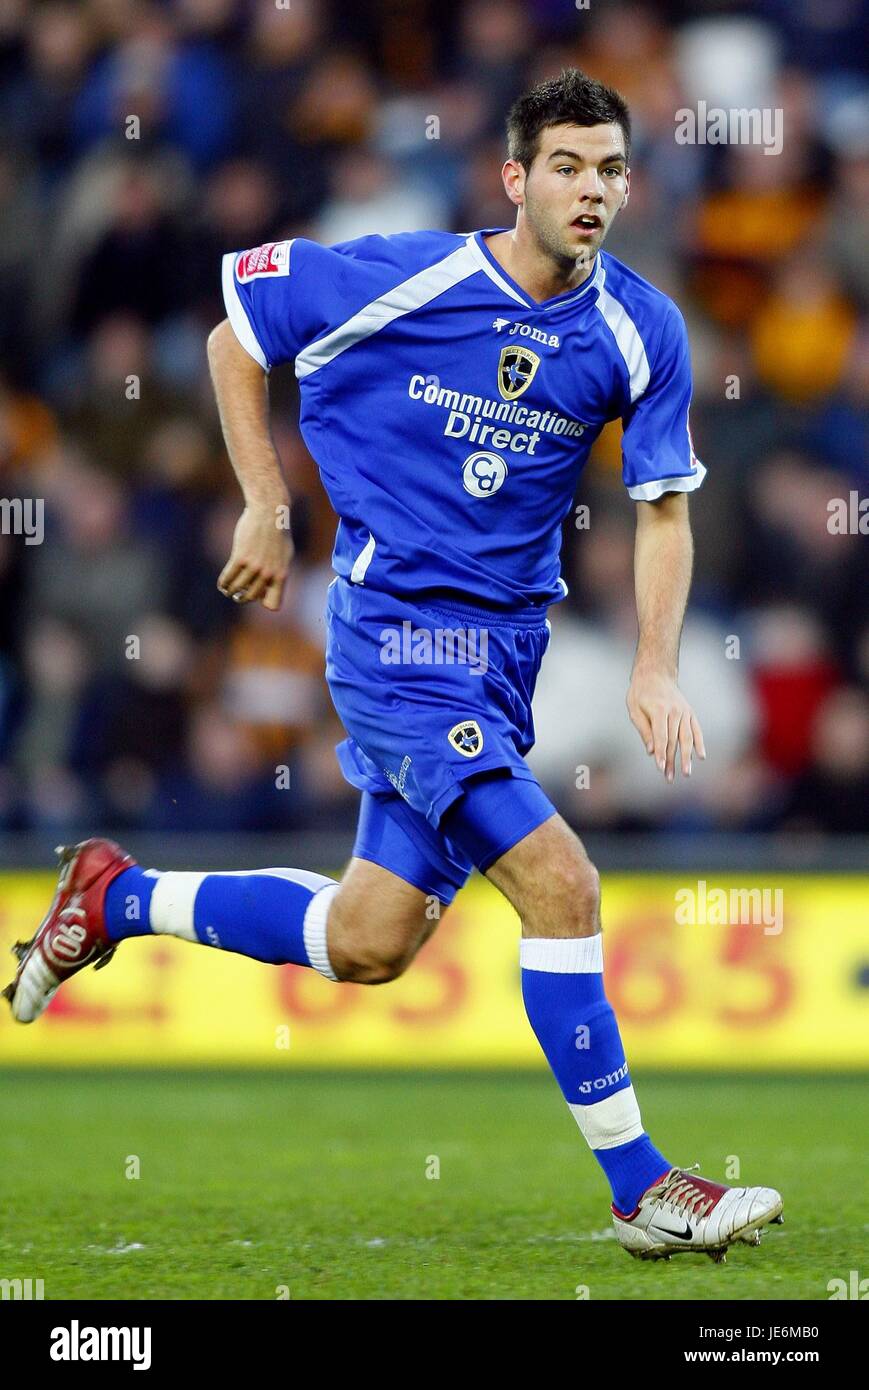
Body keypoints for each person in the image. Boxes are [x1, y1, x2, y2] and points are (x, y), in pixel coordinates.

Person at [6, 69, 782, 1262]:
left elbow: (664, 511)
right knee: (560, 882)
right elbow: (232, 334)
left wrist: (656, 666)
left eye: (611, 170)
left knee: (366, 941)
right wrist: (264, 504)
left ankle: (117, 894)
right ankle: (641, 1188)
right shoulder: (392, 274)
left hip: (502, 659)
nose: (590, 190)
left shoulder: (641, 328)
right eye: (566, 166)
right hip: (397, 642)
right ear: (514, 178)